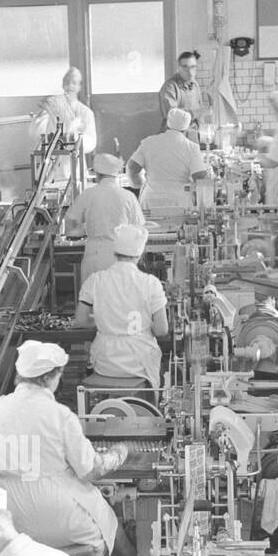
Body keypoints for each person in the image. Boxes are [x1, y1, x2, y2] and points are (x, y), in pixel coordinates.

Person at [0, 339, 128, 556]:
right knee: (111, 528)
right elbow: (91, 470)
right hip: (58, 511)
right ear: (46, 378)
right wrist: (117, 455)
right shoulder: (60, 415)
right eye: (58, 375)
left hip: (11, 512)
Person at [75, 223, 169, 389]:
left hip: (105, 362)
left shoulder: (95, 280)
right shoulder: (151, 283)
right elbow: (162, 330)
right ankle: (149, 409)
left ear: (115, 252)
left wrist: (108, 322)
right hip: (139, 362)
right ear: (140, 253)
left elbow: (81, 321)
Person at [64, 152, 145, 285]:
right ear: (116, 174)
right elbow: (139, 229)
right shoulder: (128, 196)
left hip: (94, 255)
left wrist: (82, 230)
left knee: (92, 300)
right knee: (118, 301)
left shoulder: (88, 194)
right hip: (121, 256)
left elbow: (70, 225)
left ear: (97, 174)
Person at [127, 109, 210, 216]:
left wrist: (137, 184)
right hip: (179, 200)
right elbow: (200, 178)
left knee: (150, 231)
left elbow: (132, 167)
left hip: (150, 199)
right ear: (186, 128)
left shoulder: (149, 142)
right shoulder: (191, 147)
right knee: (180, 231)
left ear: (167, 124)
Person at [29, 66, 98, 181]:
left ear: (80, 86)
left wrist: (73, 138)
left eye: (74, 83)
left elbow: (91, 142)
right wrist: (41, 118)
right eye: (67, 82)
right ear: (62, 85)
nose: (70, 86)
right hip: (50, 170)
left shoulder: (86, 113)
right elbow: (35, 130)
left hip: (74, 171)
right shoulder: (52, 108)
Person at [157, 51, 210, 140]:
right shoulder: (170, 87)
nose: (190, 71)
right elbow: (173, 115)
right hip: (174, 138)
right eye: (185, 67)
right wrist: (196, 112)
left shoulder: (194, 85)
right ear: (179, 68)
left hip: (193, 135)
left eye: (193, 67)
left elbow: (200, 112)